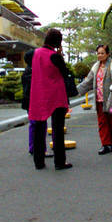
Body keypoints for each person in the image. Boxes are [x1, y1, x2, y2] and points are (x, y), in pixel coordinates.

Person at [26, 28, 74, 171]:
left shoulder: (32, 54)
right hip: (56, 95)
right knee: (57, 129)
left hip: (39, 94)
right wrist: (60, 54)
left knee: (39, 129)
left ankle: (38, 162)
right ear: (58, 42)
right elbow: (65, 73)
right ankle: (59, 162)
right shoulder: (55, 57)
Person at [84, 45, 112, 155]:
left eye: (102, 53)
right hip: (98, 99)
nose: (100, 55)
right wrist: (74, 91)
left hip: (109, 98)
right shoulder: (96, 66)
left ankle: (111, 144)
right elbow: (88, 82)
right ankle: (105, 144)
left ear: (108, 54)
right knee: (102, 122)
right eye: (98, 53)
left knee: (111, 122)